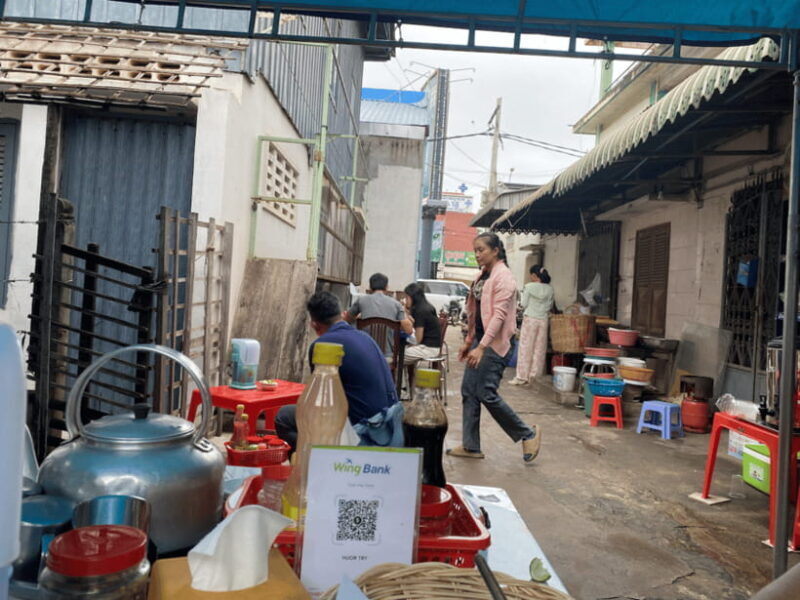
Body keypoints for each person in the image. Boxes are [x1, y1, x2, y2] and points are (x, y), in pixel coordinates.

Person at [447, 232, 541, 463]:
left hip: (495, 344)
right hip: (481, 342)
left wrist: (482, 347)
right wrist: (470, 342)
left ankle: (527, 434)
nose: (477, 254)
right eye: (475, 250)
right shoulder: (483, 276)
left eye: (481, 250)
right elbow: (474, 312)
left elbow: (498, 316)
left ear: (495, 250)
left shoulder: (504, 277)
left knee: (486, 393)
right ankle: (471, 446)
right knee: (469, 391)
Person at [275, 291, 402, 451]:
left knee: (284, 416)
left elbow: (319, 401)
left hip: (362, 432)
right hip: (391, 428)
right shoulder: (365, 337)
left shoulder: (323, 346)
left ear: (315, 325)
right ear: (342, 315)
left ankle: (314, 461)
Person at [510, 265, 555, 385]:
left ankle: (521, 377)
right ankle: (534, 376)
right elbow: (550, 306)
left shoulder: (529, 287)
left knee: (526, 348)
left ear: (535, 275)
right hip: (543, 320)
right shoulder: (550, 289)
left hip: (530, 319)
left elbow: (524, 304)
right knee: (539, 349)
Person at [346, 272, 413, 335]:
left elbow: (347, 319)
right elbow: (409, 330)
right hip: (387, 347)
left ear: (370, 287)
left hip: (364, 346)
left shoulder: (361, 300)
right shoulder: (396, 304)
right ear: (386, 287)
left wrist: (358, 318)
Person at [402, 282, 442, 366]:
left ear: (413, 297)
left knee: (397, 356)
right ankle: (406, 378)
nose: (405, 300)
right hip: (430, 346)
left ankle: (396, 378)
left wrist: (409, 345)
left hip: (428, 348)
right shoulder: (425, 306)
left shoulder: (421, 311)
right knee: (400, 352)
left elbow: (417, 339)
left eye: (406, 297)